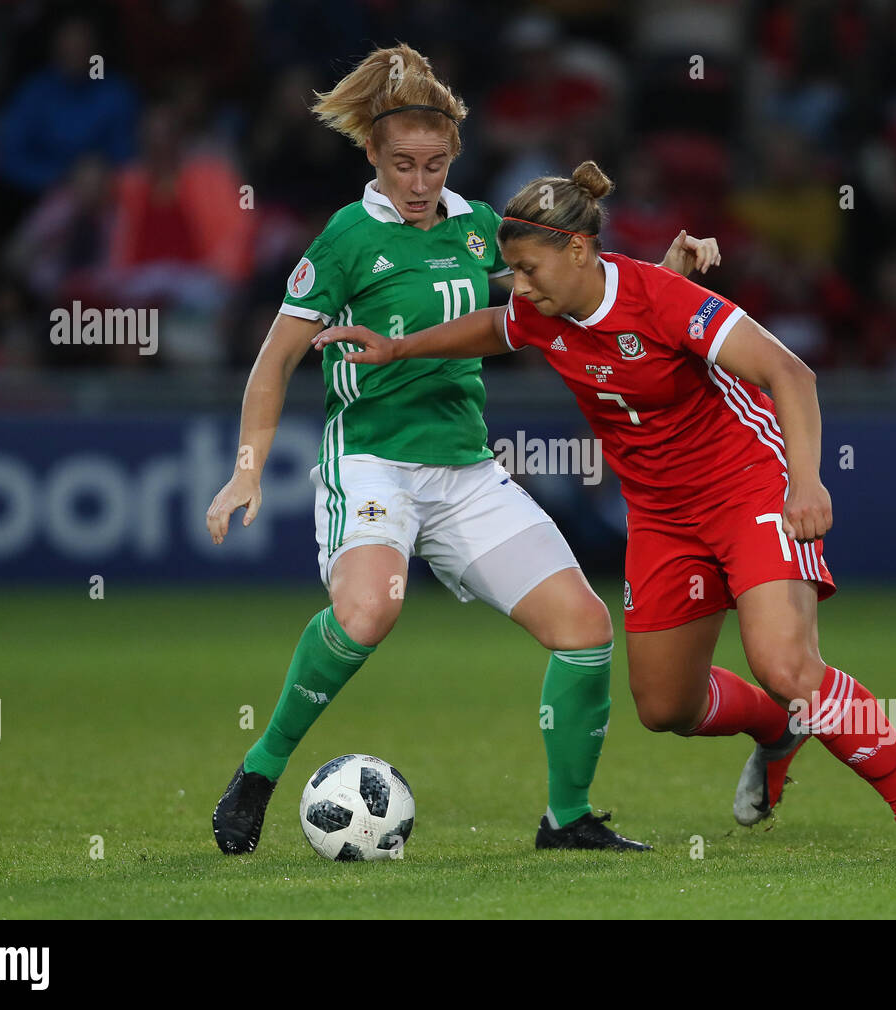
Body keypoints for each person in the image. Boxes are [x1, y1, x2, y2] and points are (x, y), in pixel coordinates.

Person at [315, 160, 896, 861]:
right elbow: (492, 329)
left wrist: (807, 483)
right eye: (513, 272)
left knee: (784, 661)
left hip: (747, 488)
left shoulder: (664, 298)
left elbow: (790, 372)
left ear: (579, 250)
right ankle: (780, 728)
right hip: (659, 516)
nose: (521, 288)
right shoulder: (541, 310)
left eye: (529, 269)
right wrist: (399, 347)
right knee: (666, 707)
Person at [207, 47, 721, 855]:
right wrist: (244, 473)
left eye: (435, 164)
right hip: (374, 460)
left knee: (585, 630)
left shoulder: (483, 228)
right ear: (373, 155)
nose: (419, 182)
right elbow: (275, 361)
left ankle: (567, 821)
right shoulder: (345, 239)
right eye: (403, 165)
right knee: (370, 610)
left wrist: (663, 276)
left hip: (468, 468)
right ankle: (262, 770)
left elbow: (569, 301)